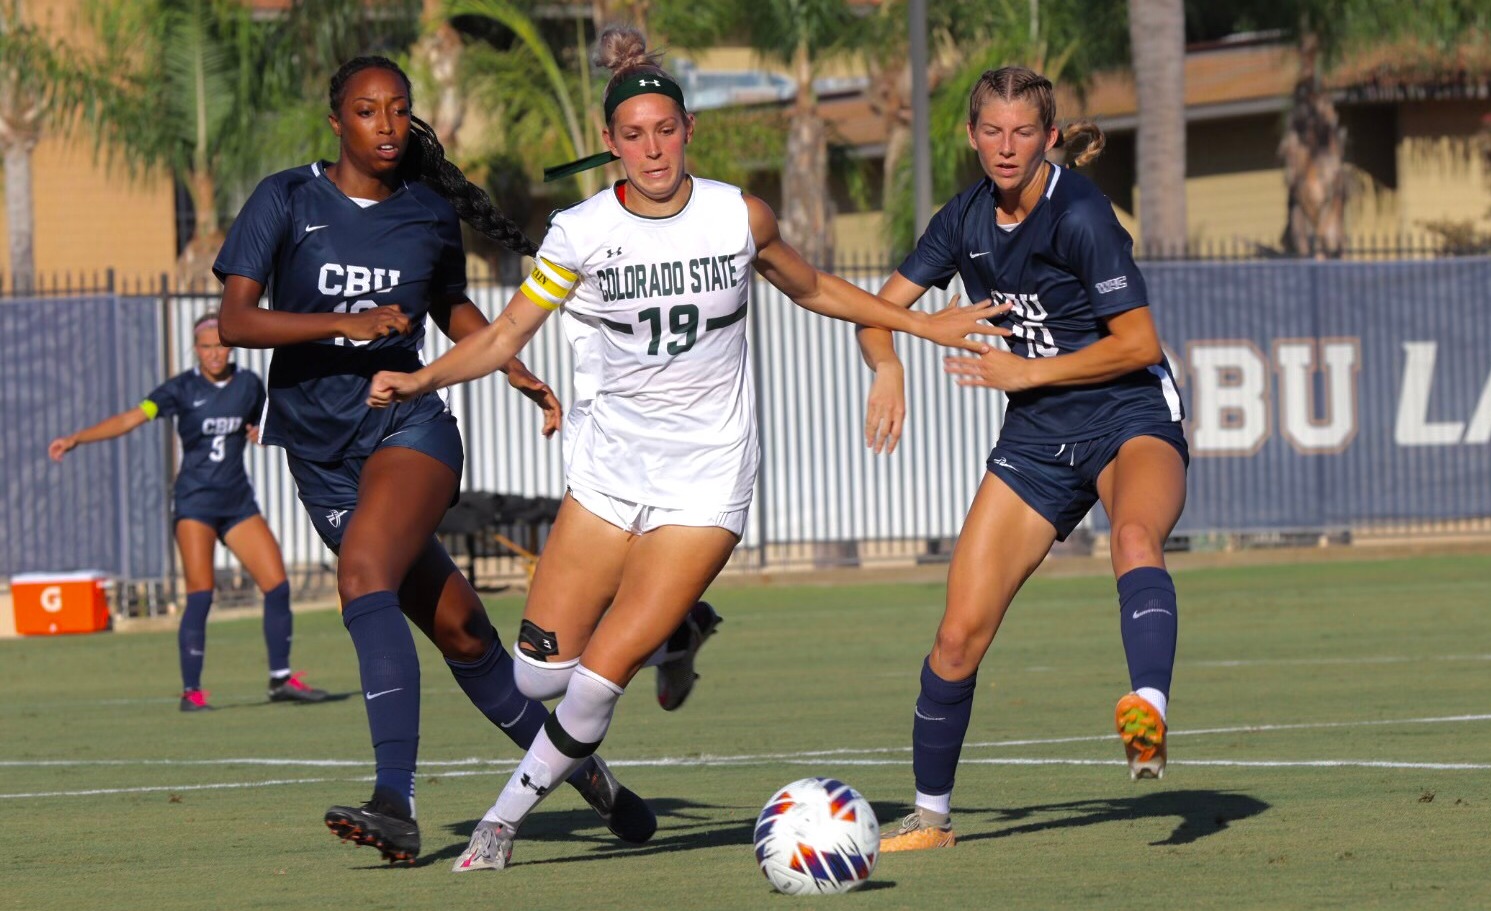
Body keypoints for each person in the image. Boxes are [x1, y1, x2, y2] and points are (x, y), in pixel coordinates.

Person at [365, 26, 1009, 873]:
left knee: (602, 674)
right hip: (608, 474)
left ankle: (501, 819)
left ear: (688, 132)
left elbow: (813, 285)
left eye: (666, 130)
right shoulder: (580, 233)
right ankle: (681, 634)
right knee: (534, 679)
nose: (653, 148)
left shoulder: (738, 216)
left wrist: (917, 325)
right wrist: (421, 380)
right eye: (633, 135)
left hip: (708, 478)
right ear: (610, 144)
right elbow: (505, 334)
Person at [213, 55, 711, 866]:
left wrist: (511, 367)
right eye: (368, 111)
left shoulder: (425, 211)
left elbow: (452, 307)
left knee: (363, 575)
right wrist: (344, 325)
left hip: (410, 429)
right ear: (335, 120)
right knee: (465, 634)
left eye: (399, 109)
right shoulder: (285, 199)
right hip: (319, 453)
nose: (386, 125)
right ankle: (592, 777)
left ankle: (394, 801)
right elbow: (235, 320)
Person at [856, 65, 1189, 851]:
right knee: (956, 635)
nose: (1007, 148)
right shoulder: (963, 218)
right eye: (993, 131)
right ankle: (932, 816)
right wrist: (890, 363)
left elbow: (1138, 342)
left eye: (1024, 132)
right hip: (1037, 439)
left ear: (1048, 137)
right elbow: (875, 310)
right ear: (971, 135)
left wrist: (1026, 371)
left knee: (1134, 539)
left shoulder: (1080, 213)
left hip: (1127, 414)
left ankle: (1149, 714)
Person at [49, 312, 327, 712]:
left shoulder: (249, 385)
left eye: (220, 345)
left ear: (231, 347)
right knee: (200, 595)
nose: (215, 353)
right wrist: (77, 438)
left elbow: (268, 423)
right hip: (195, 503)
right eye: (207, 346)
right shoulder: (180, 389)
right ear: (195, 350)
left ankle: (281, 678)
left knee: (277, 584)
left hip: (237, 503)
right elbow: (132, 417)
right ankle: (191, 692)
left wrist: (260, 432)